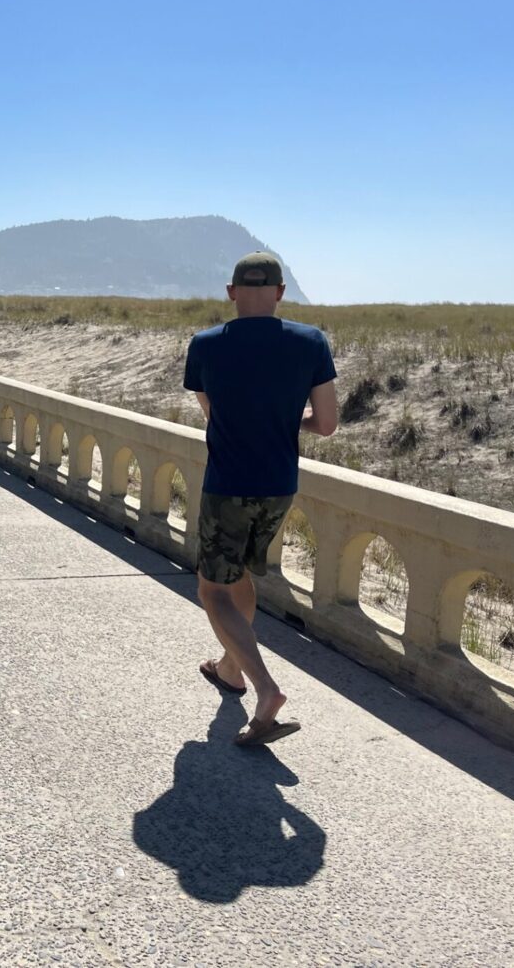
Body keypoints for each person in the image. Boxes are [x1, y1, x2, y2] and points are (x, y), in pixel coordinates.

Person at [182, 252, 337, 746]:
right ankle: (231, 667)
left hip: (228, 483)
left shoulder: (205, 345)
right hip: (278, 484)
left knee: (212, 589)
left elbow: (214, 414)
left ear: (231, 292)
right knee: (240, 575)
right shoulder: (311, 342)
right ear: (280, 292)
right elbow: (328, 424)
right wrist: (288, 422)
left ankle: (266, 689)